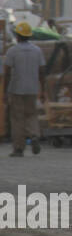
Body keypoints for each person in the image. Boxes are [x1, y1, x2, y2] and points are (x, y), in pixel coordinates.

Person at [3, 21, 46, 156]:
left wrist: (5, 91)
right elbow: (42, 72)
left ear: (17, 35)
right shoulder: (37, 50)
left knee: (17, 118)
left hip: (16, 88)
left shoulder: (12, 51)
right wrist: (43, 90)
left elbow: (7, 72)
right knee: (31, 115)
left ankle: (19, 148)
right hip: (32, 88)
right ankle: (34, 135)